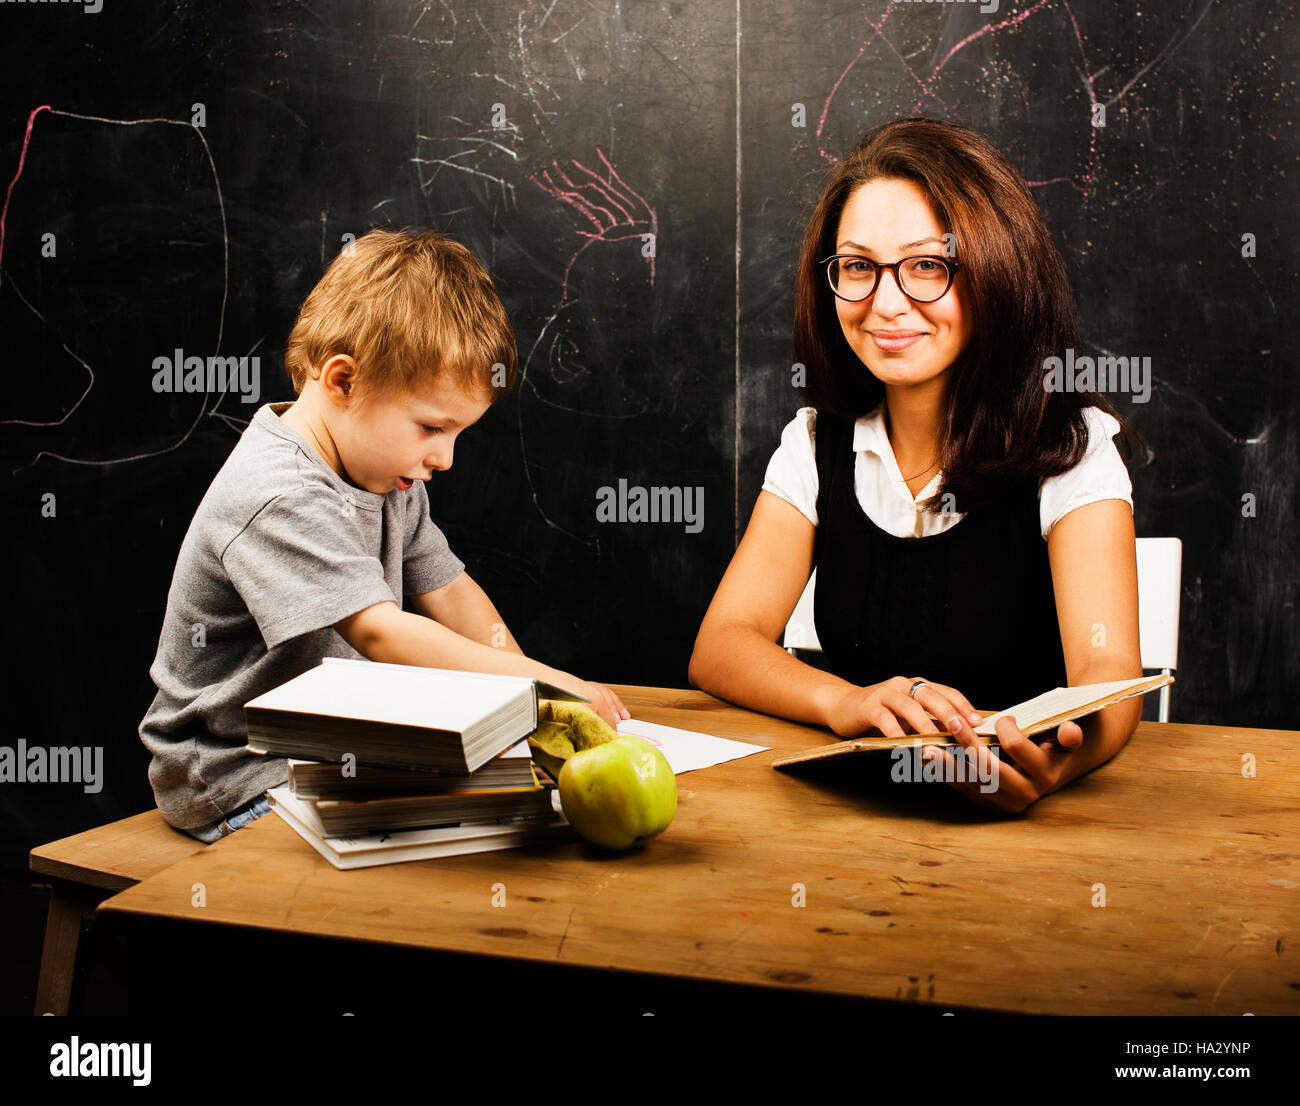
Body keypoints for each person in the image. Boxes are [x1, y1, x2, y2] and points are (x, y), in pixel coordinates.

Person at [689, 118, 1143, 813]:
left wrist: (1051, 768)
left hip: (1032, 843)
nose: (887, 303)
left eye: (928, 265)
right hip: (850, 820)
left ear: (995, 268)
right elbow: (722, 644)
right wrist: (845, 702)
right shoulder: (818, 442)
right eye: (859, 266)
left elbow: (1108, 674)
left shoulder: (1071, 447)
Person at [139, 228, 627, 843]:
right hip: (241, 772)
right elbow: (380, 630)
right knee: (440, 863)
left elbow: (450, 593)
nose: (445, 458)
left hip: (332, 750)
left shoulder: (384, 477)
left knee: (518, 815)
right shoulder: (279, 493)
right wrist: (542, 690)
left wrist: (542, 698)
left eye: (457, 435)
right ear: (343, 382)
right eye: (431, 427)